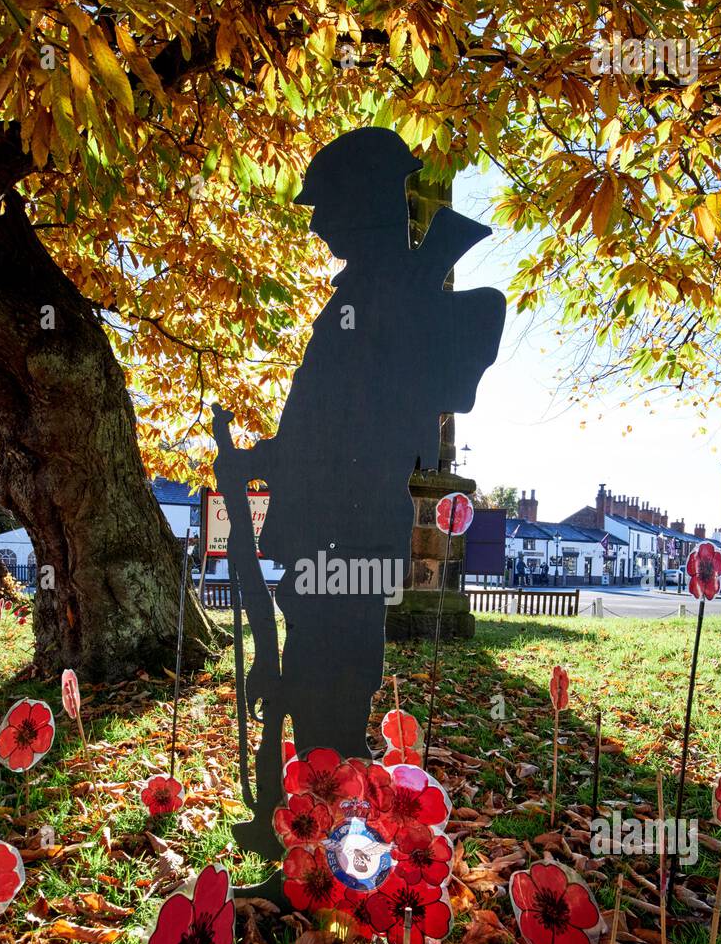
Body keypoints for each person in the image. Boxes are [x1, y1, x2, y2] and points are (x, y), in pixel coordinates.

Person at [213, 127, 507, 863]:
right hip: (331, 532)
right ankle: (305, 836)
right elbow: (323, 425)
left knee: (326, 692)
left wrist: (266, 464)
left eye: (327, 207)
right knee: (312, 686)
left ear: (364, 205)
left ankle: (325, 855)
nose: (315, 224)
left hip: (345, 540)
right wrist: (256, 460)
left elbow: (353, 432)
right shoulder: (366, 295)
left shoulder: (384, 298)